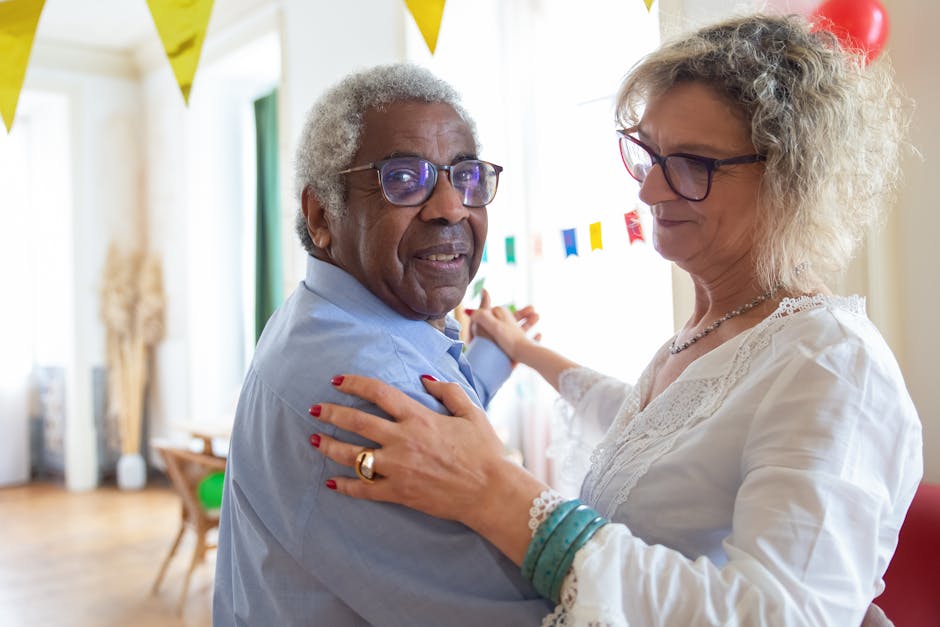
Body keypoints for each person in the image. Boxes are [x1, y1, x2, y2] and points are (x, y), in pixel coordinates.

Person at [307, 14, 923, 627]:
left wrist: (498, 492)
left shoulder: (833, 364)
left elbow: (774, 617)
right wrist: (522, 350)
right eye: (648, 154)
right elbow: (650, 432)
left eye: (691, 164)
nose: (650, 191)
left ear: (790, 180)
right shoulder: (714, 330)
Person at [213, 63, 552, 626]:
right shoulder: (374, 392)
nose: (451, 207)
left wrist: (492, 355)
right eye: (403, 178)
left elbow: (437, 391)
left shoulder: (313, 313)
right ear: (322, 215)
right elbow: (521, 614)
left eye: (466, 175)